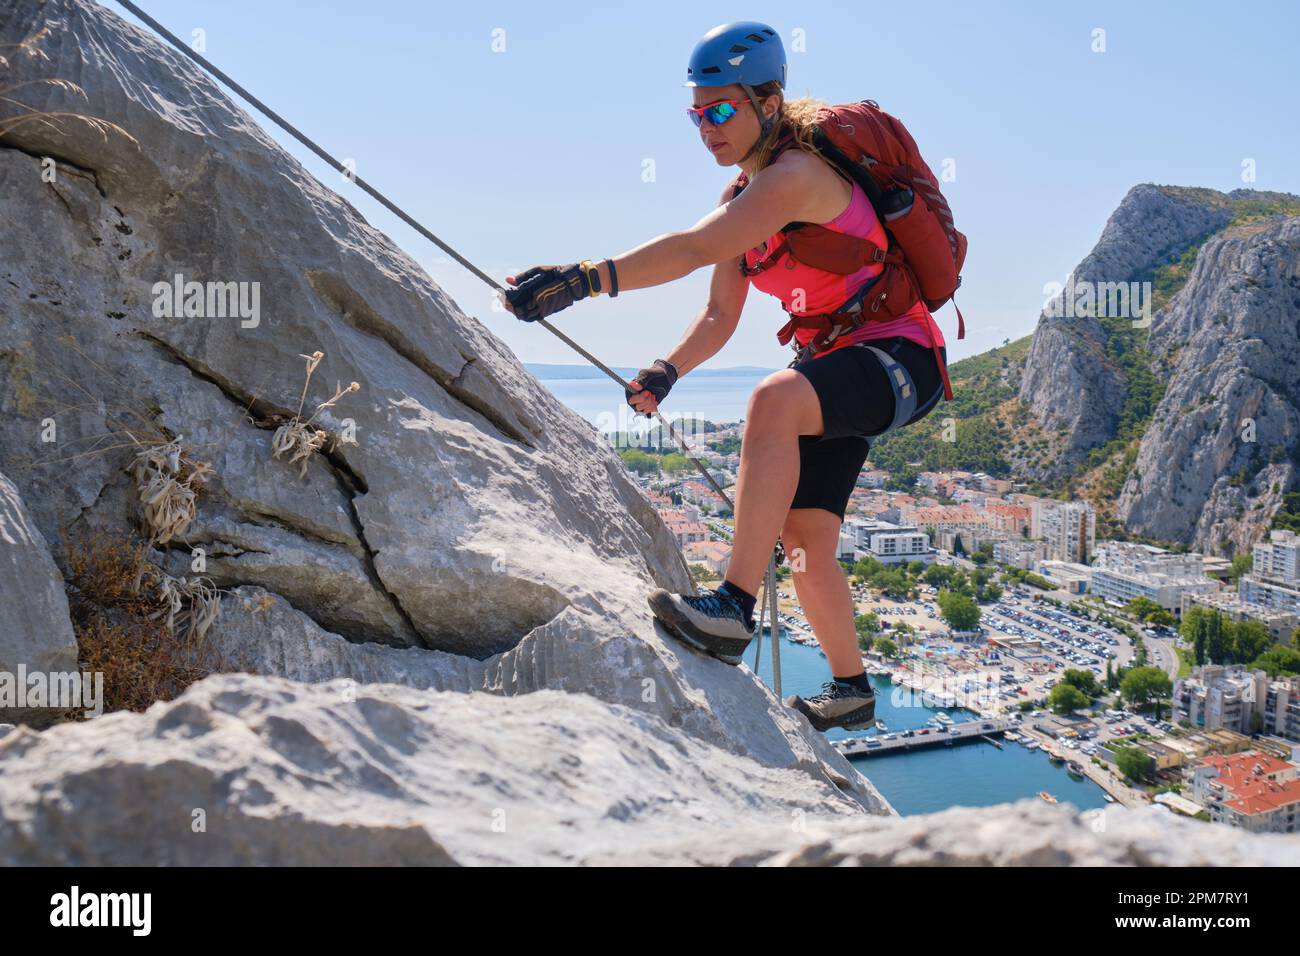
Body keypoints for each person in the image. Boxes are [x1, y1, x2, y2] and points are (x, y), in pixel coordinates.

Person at [501, 21, 949, 732]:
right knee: (804, 537)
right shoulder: (746, 199)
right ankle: (852, 688)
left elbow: (692, 249)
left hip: (900, 357)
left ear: (768, 103)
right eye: (695, 114)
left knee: (773, 399)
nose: (705, 129)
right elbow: (718, 312)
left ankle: (733, 610)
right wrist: (669, 370)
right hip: (841, 365)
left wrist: (584, 279)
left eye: (719, 111)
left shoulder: (797, 177)